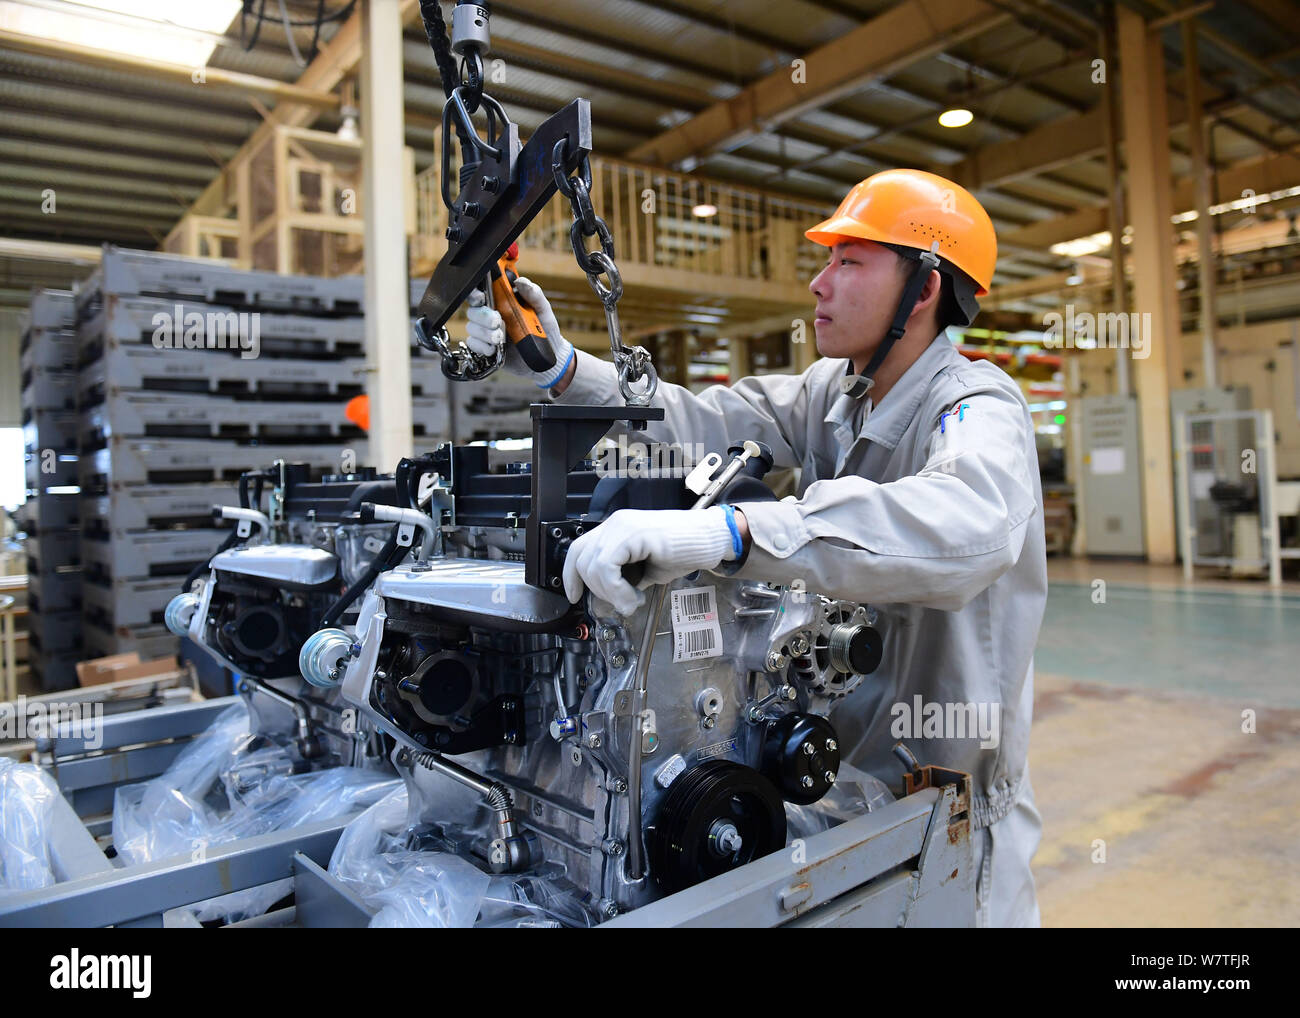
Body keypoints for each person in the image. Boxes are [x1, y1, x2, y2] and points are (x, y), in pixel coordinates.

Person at [464, 169, 1047, 927]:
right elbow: (701, 421)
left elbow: (970, 525)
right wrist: (564, 369)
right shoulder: (835, 394)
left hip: (955, 814)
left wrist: (731, 532)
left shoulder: (975, 405)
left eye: (848, 261)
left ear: (924, 286)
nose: (818, 283)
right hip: (844, 793)